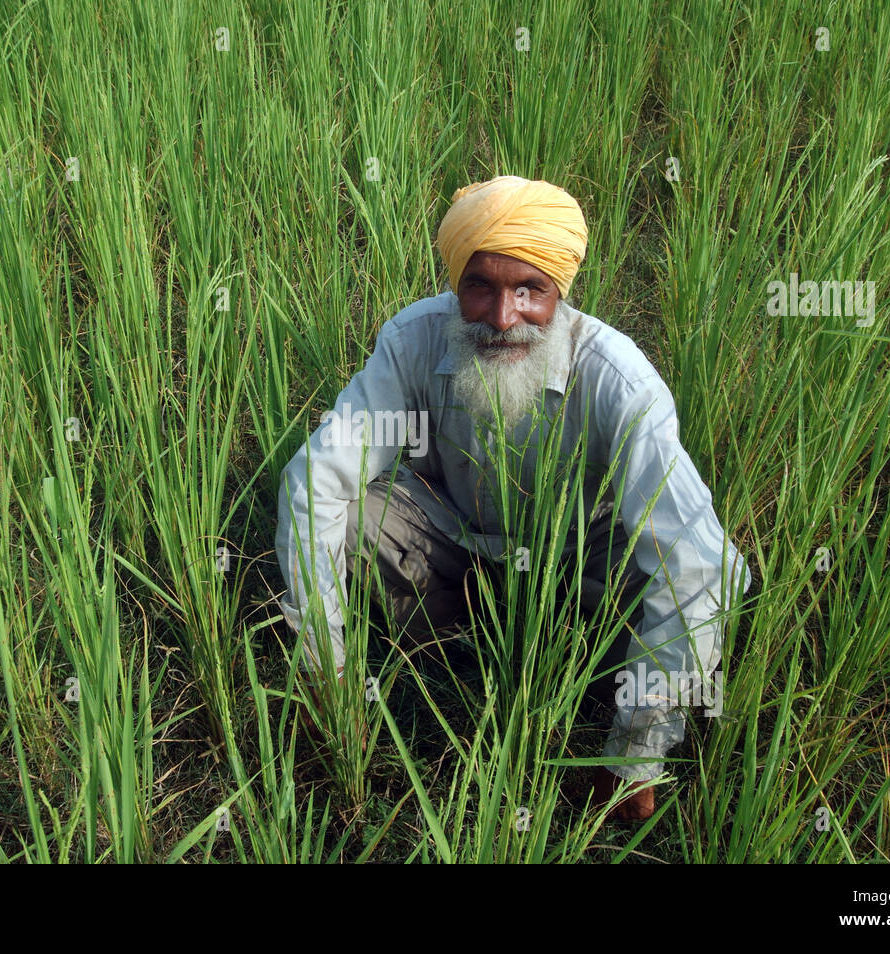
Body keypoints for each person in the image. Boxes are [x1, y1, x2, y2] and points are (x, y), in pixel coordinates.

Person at [274, 174, 752, 822]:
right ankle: (458, 651)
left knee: (687, 580)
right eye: (481, 287)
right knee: (353, 515)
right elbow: (316, 480)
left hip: (570, 559)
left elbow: (701, 561)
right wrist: (323, 668)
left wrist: (637, 751)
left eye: (530, 290)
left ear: (561, 291)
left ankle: (554, 664)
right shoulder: (413, 341)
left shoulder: (617, 379)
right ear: (455, 286)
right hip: (451, 544)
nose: (503, 318)